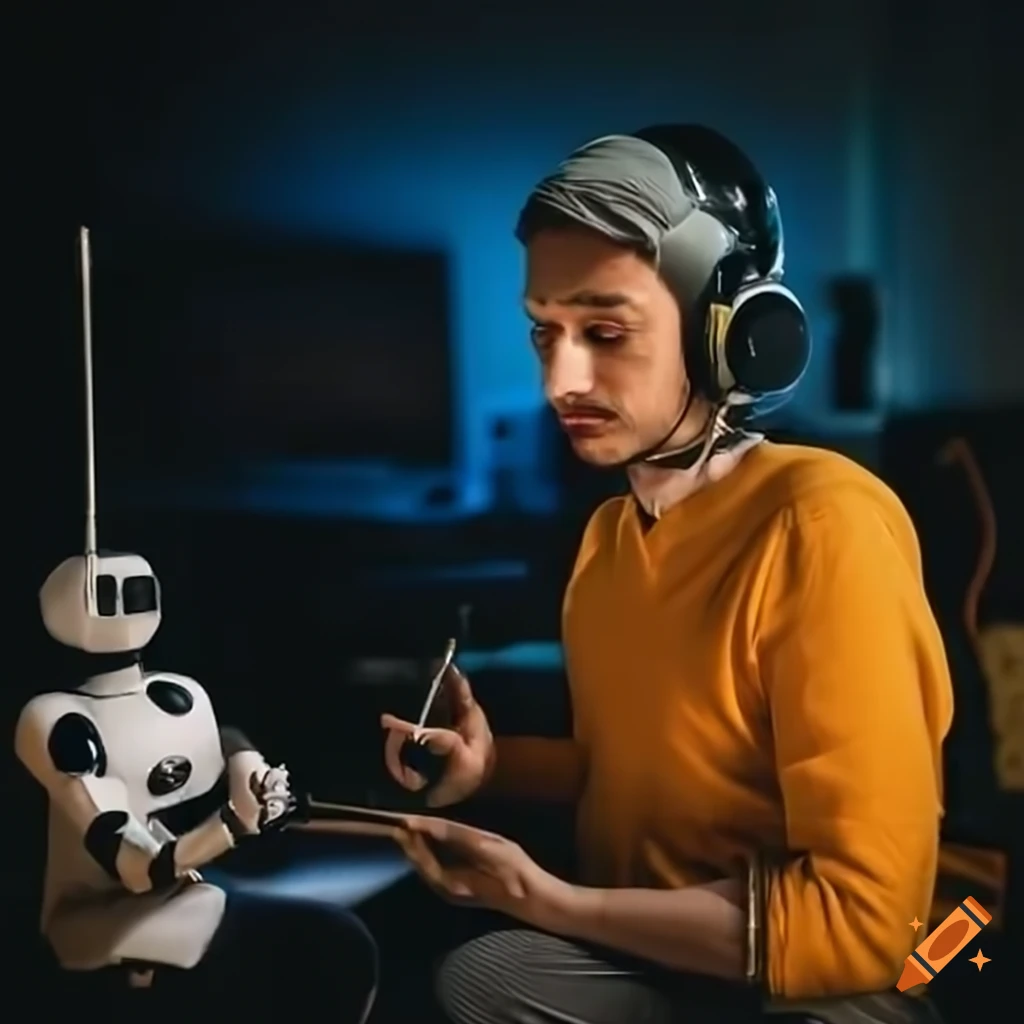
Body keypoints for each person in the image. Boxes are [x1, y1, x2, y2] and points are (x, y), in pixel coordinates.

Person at [380, 126, 953, 1024]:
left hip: (825, 979)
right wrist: (493, 771)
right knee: (473, 978)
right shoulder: (611, 537)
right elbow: (644, 771)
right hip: (660, 953)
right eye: (546, 334)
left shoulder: (823, 523)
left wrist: (546, 900)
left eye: (606, 331)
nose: (560, 381)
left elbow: (871, 923)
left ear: (736, 336)